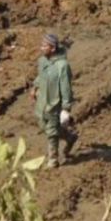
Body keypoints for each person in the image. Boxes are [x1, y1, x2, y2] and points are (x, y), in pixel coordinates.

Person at [33, 32, 75, 167]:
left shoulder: (62, 66)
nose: (41, 48)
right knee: (44, 126)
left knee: (51, 132)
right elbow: (41, 76)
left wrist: (66, 107)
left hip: (55, 103)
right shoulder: (43, 61)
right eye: (42, 45)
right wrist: (35, 87)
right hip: (42, 101)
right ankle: (69, 137)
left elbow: (66, 87)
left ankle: (53, 160)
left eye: (45, 46)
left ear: (53, 48)